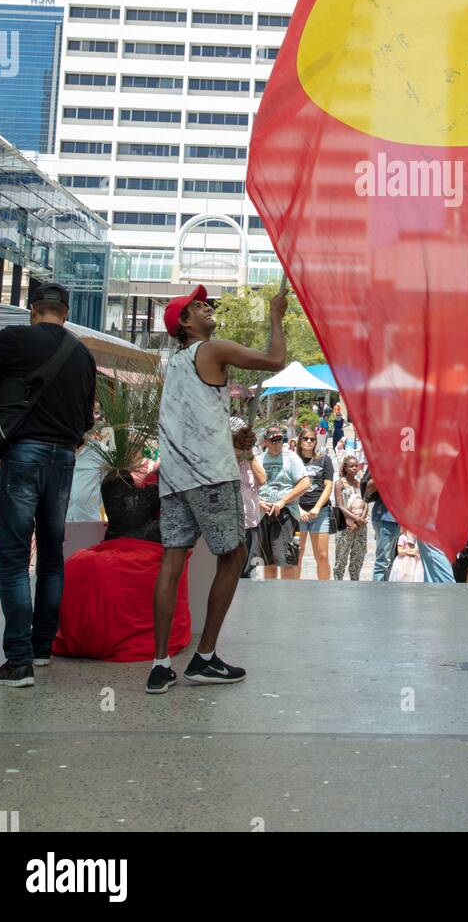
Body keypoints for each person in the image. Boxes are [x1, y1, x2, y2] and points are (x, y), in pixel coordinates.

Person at [148, 283, 286, 694]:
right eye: (198, 307)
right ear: (184, 324)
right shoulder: (210, 350)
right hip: (210, 474)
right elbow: (275, 359)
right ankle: (204, 657)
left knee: (173, 561)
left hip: (174, 478)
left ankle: (159, 666)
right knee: (235, 554)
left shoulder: (173, 364)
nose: (208, 308)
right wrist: (275, 315)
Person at [0, 283, 96, 687]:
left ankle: (18, 661)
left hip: (24, 453)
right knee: (49, 555)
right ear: (65, 311)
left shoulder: (16, 339)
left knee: (12, 558)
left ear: (33, 310)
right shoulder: (82, 354)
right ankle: (42, 647)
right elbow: (86, 419)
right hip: (63, 458)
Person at [258, 424, 310, 579]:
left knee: (287, 561)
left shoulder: (292, 458)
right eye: (273, 441)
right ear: (265, 442)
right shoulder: (258, 459)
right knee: (268, 563)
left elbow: (305, 483)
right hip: (263, 514)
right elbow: (248, 486)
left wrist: (283, 501)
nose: (277, 443)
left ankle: (289, 598)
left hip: (285, 514)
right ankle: (271, 598)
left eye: (280, 439)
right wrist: (258, 501)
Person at [230, 417, 267, 578]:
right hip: (230, 524)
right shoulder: (224, 457)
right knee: (230, 569)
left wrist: (249, 454)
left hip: (249, 523)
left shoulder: (251, 456)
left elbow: (262, 479)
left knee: (248, 572)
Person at [296, 426, 333, 579]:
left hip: (320, 512)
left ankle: (324, 589)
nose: (309, 441)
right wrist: (299, 510)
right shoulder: (293, 459)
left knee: (322, 555)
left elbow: (329, 485)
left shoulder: (324, 459)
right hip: (297, 512)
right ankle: (293, 589)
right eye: (306, 438)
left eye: (312, 439)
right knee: (297, 553)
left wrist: (317, 508)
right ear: (300, 441)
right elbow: (287, 488)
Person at [333, 452, 369, 580]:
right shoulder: (339, 484)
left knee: (357, 559)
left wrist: (361, 520)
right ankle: (338, 584)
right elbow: (340, 505)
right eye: (351, 466)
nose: (355, 468)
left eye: (356, 466)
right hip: (345, 526)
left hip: (360, 527)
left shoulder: (360, 484)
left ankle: (355, 583)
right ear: (345, 468)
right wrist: (354, 519)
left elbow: (366, 503)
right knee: (341, 560)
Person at [362, 469, 400, 580]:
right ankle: (379, 593)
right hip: (385, 518)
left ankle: (386, 591)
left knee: (391, 561)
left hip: (395, 519)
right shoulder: (386, 466)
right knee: (383, 562)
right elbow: (370, 485)